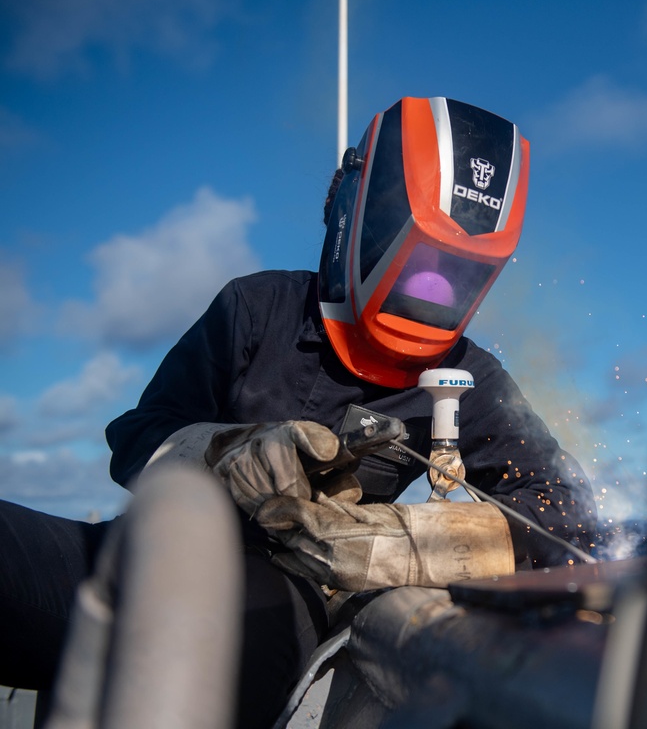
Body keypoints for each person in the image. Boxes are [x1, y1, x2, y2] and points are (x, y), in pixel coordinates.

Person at [0, 96, 597, 728]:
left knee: (214, 651)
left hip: (296, 596)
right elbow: (139, 434)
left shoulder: (467, 376)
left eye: (457, 273)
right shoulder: (255, 310)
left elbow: (566, 513)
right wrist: (222, 452)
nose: (433, 290)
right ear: (356, 213)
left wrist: (415, 545)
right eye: (422, 261)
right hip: (155, 547)